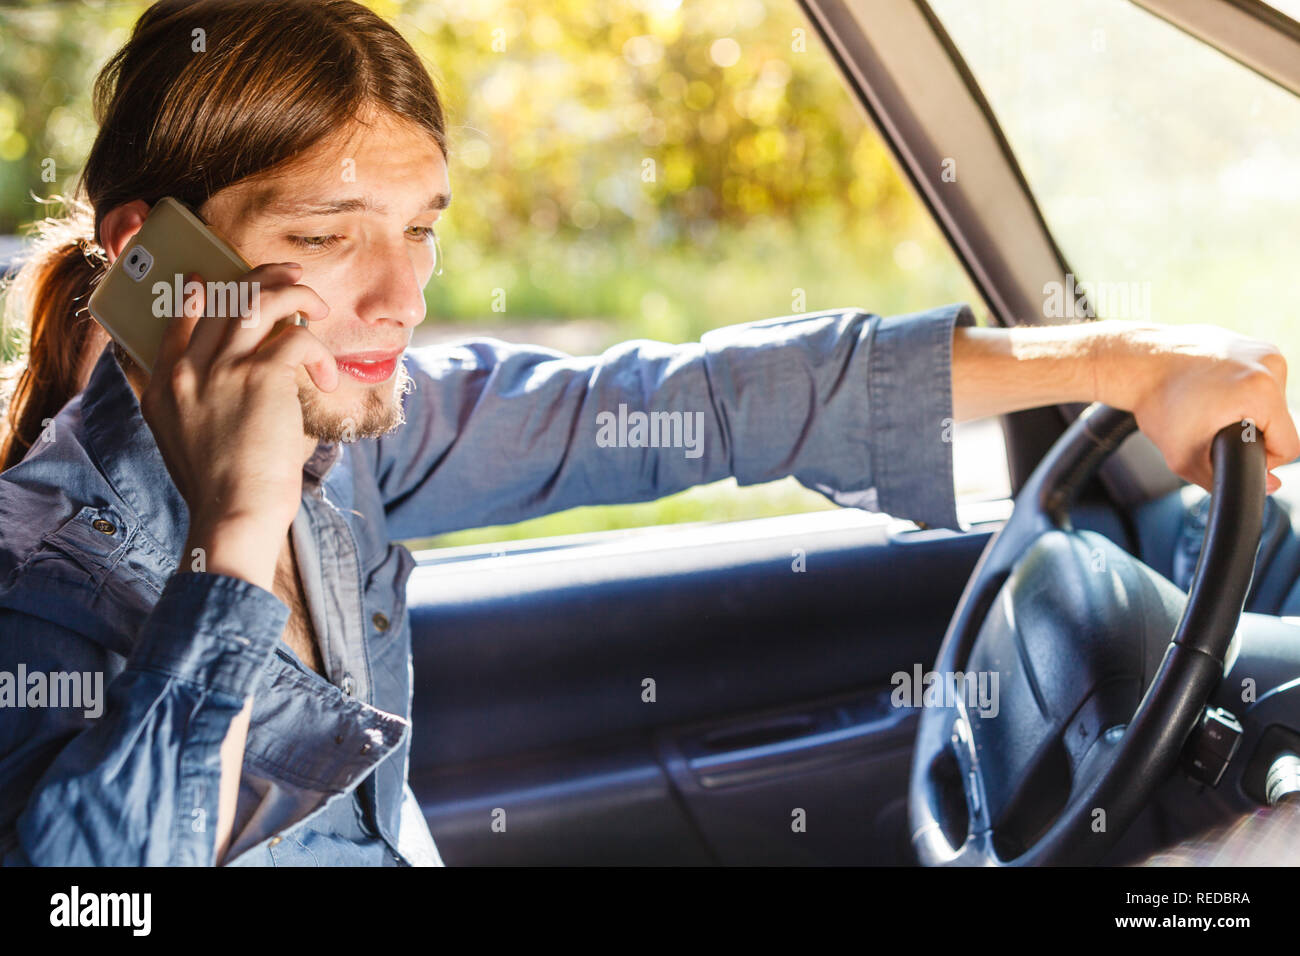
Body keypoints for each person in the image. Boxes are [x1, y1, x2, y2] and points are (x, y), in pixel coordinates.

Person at [0, 0, 1296, 867]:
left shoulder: (357, 436)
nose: (401, 302)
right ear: (154, 262)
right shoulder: (32, 571)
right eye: (327, 238)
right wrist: (232, 551)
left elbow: (698, 403)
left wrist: (1133, 360)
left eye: (422, 231)